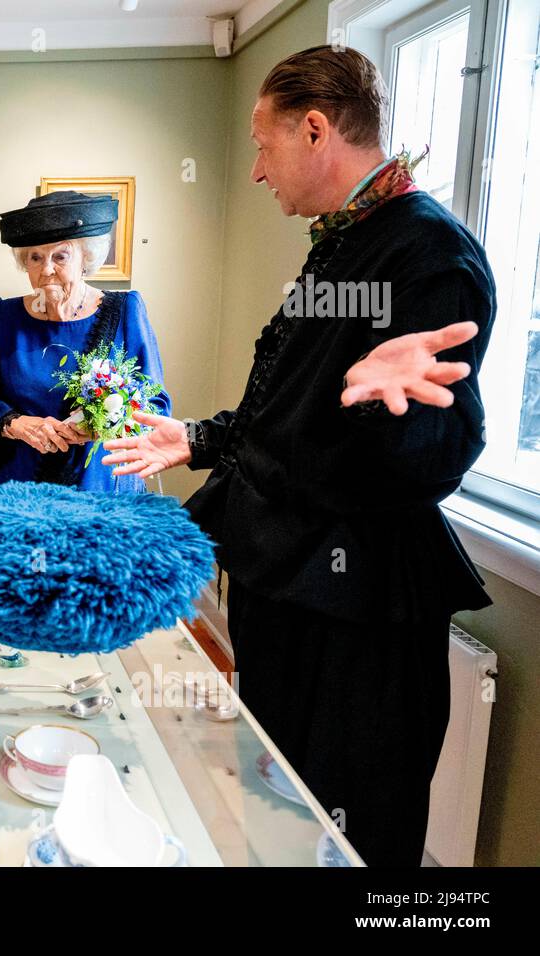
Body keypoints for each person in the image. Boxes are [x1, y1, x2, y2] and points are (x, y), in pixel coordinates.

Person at [102, 46, 495, 866]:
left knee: (349, 836)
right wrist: (200, 439)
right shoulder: (348, 239)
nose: (254, 170)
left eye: (262, 144)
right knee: (279, 807)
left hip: (360, 619)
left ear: (315, 129)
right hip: (294, 592)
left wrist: (379, 401)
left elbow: (434, 451)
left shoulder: (428, 255)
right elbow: (288, 416)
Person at [0, 191, 169, 492]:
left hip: (103, 486)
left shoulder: (125, 310)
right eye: (36, 257)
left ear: (86, 258)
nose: (46, 269)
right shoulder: (4, 316)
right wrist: (18, 425)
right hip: (23, 487)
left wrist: (98, 423)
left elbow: (155, 404)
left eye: (60, 256)